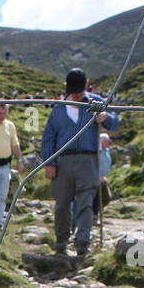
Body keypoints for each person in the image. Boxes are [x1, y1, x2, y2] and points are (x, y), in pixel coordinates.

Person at [41, 68, 120, 259]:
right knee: (62, 204)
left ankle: (82, 243)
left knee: (86, 203)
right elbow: (49, 137)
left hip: (88, 159)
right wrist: (49, 163)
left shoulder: (94, 102)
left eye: (79, 89)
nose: (76, 94)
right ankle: (61, 242)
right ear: (66, 87)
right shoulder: (58, 108)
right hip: (63, 161)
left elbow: (115, 122)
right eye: (73, 90)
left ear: (86, 85)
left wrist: (104, 117)